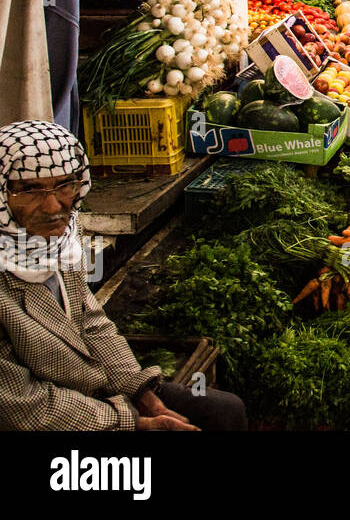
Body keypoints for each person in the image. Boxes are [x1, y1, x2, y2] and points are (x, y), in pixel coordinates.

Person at [0, 121, 246, 431]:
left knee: (224, 410)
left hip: (99, 387)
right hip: (53, 415)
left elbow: (92, 322)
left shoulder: (56, 244)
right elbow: (25, 408)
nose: (52, 206)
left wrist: (142, 393)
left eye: (64, 185)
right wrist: (135, 423)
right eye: (30, 190)